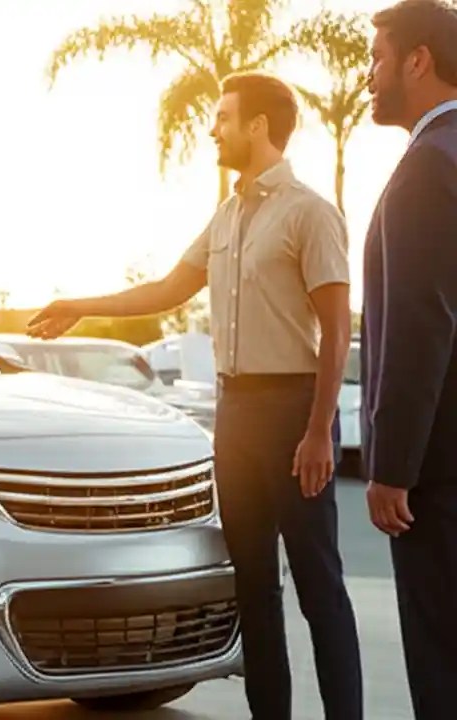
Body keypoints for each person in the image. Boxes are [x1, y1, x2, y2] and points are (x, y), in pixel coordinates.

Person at [27, 72, 362, 720]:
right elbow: (164, 290)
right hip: (234, 415)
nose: (213, 129)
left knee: (320, 587)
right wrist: (81, 306)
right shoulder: (227, 215)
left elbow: (337, 326)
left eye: (223, 117)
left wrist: (321, 429)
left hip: (293, 414)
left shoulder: (310, 213)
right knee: (255, 590)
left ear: (258, 126)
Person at [360, 2, 457, 716]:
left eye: (377, 59)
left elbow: (420, 323)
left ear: (418, 61)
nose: (368, 78)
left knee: (441, 658)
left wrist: (391, 468)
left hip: (440, 476)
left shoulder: (428, 167)